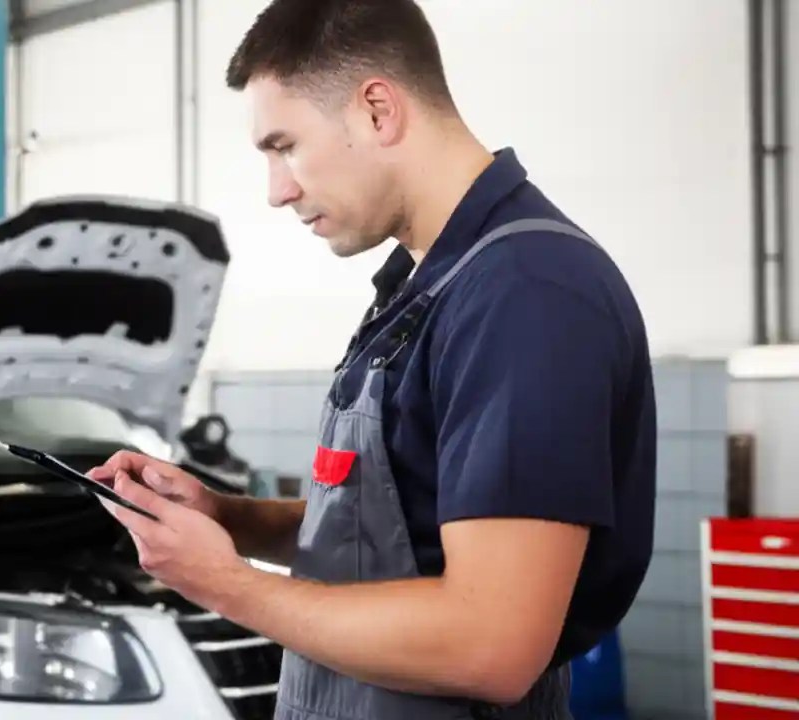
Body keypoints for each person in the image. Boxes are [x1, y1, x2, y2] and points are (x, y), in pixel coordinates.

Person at [87, 0, 657, 718]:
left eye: (284, 145)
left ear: (378, 110)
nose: (277, 190)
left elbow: (491, 645)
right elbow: (399, 532)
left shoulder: (525, 292)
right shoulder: (428, 287)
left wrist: (225, 583)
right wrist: (227, 516)